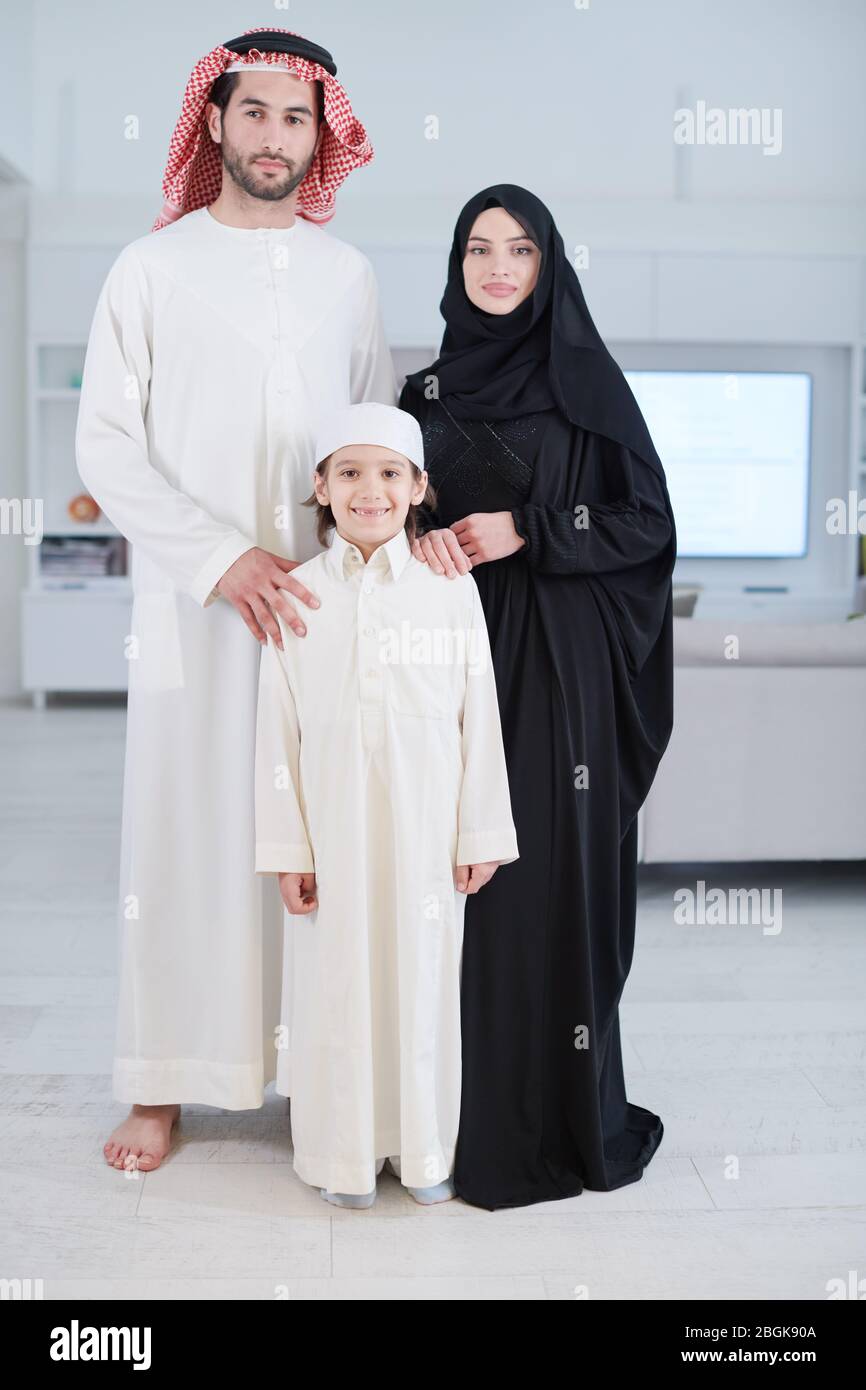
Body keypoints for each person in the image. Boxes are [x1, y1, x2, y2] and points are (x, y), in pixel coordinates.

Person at [74, 27, 397, 1174]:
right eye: (254, 113)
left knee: (312, 840)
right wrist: (220, 559)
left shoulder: (344, 275)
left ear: (322, 136)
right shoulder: (149, 269)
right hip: (194, 606)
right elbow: (106, 446)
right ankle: (166, 1079)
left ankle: (315, 1076)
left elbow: (372, 434)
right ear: (212, 122)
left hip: (317, 611)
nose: (274, 138)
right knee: (185, 831)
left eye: (296, 119)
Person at [399, 184, 677, 1210]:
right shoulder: (421, 394)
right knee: (454, 889)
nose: (499, 266)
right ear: (455, 265)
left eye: (520, 248)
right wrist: (419, 534)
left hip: (561, 673)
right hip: (447, 660)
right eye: (479, 247)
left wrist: (531, 528)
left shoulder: (587, 385)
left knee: (540, 882)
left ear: (548, 263)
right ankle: (444, 1118)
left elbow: (645, 523)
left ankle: (553, 1121)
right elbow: (378, 507)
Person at [254, 402, 518, 1207]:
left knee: (423, 982)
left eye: (390, 473)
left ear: (419, 487)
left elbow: (481, 716)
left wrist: (480, 830)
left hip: (428, 825)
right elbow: (278, 734)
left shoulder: (449, 591)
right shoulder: (298, 594)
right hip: (332, 828)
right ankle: (343, 1158)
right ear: (322, 487)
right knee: (338, 986)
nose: (371, 490)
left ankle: (423, 1151)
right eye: (351, 473)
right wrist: (288, 852)